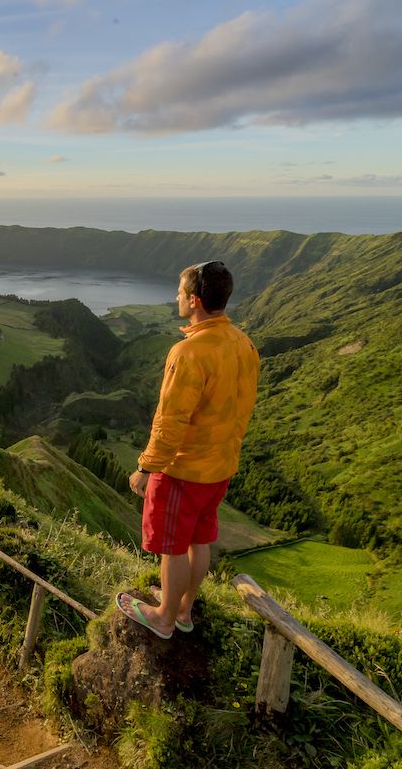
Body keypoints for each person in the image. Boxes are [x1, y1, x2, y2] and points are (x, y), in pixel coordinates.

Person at [117, 261, 260, 639]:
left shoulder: (189, 353)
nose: (175, 297)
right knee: (201, 540)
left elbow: (170, 420)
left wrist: (146, 468)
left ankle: (164, 617)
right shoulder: (243, 344)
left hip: (184, 470)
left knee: (173, 547)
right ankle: (183, 608)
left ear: (194, 300)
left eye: (179, 292)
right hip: (221, 466)